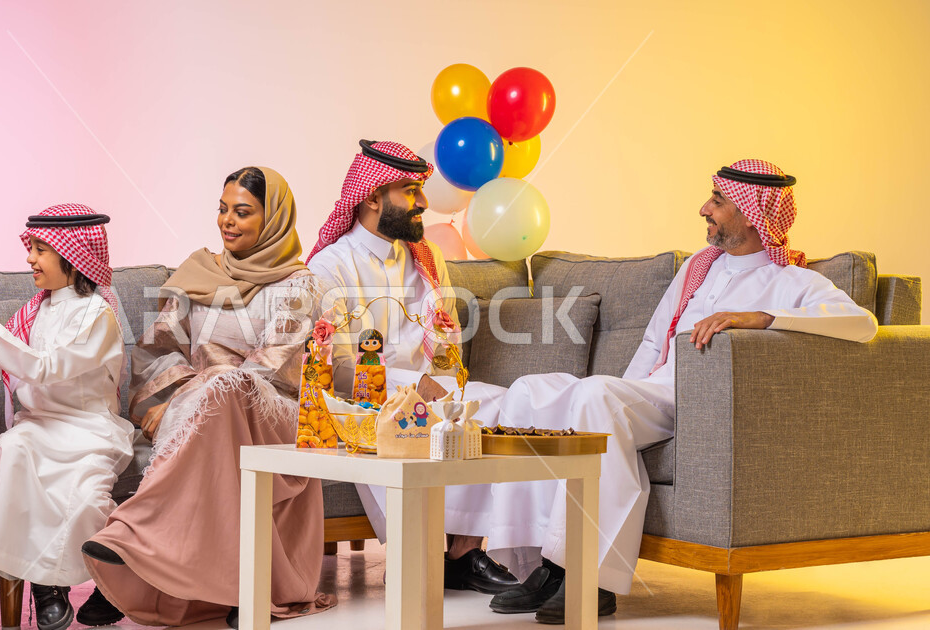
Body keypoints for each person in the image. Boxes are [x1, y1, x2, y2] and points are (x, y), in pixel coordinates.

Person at [487, 159, 879, 623]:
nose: (703, 209)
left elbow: (863, 324)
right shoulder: (698, 267)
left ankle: (591, 580)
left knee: (596, 399)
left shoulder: (794, 282)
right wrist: (620, 389)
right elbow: (654, 340)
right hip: (653, 388)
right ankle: (544, 564)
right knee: (530, 391)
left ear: (755, 214)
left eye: (718, 201)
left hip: (698, 404)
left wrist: (760, 319)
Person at [80, 167, 335, 628]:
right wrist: (172, 398)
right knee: (214, 397)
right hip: (198, 405)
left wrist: (215, 386)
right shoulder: (198, 273)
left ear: (273, 218)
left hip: (271, 413)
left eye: (242, 212)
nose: (227, 222)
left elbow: (277, 367)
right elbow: (158, 351)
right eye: (222, 210)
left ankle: (133, 544)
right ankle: (220, 583)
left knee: (228, 387)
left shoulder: (299, 285)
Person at [305, 140, 519, 595]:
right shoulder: (331, 266)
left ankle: (463, 552)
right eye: (410, 190)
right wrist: (413, 386)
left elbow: (444, 347)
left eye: (422, 188)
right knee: (410, 418)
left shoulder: (427, 260)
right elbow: (336, 370)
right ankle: (413, 552)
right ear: (371, 196)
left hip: (432, 395)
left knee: (500, 402)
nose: (423, 202)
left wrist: (438, 386)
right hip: (363, 403)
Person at [0, 203, 135, 630]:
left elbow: (48, 367)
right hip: (36, 428)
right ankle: (47, 589)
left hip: (89, 432)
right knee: (11, 451)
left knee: (83, 500)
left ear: (73, 255)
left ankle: (94, 584)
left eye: (41, 249)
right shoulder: (33, 311)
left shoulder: (100, 313)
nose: (30, 258)